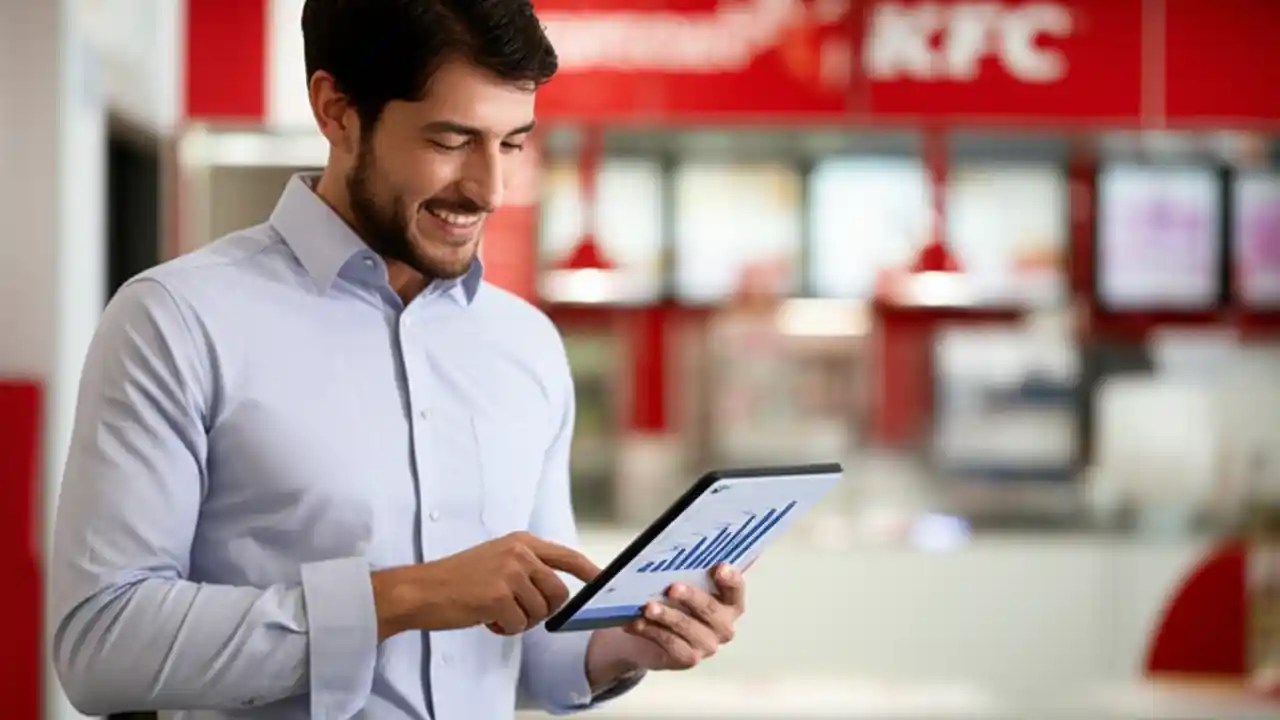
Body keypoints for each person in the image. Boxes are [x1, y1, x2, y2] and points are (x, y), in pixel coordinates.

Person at [48, 1, 747, 717]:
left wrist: (627, 643)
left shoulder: (526, 344)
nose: (490, 190)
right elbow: (101, 649)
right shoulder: (178, 320)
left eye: (511, 144)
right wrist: (406, 596)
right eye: (451, 140)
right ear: (337, 110)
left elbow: (529, 650)